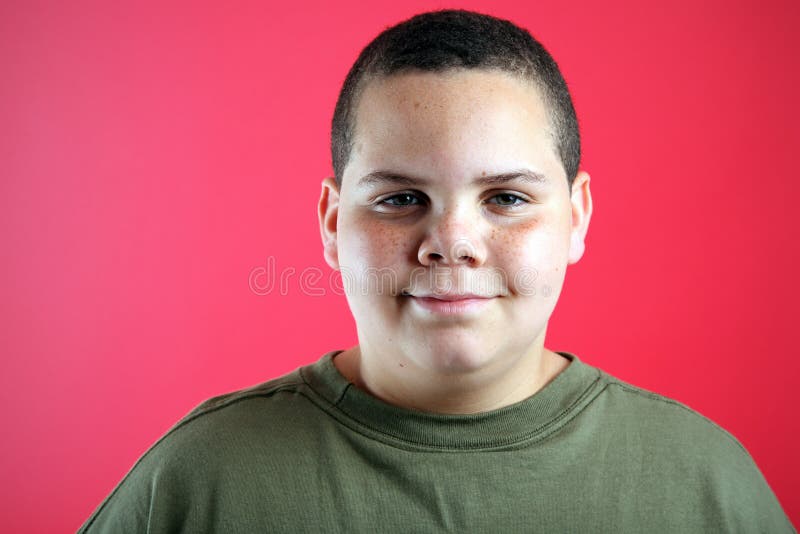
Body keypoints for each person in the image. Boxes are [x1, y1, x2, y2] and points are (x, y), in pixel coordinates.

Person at [79, 9, 794, 533]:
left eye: (506, 198)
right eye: (400, 199)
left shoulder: (704, 483)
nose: (451, 244)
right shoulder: (199, 481)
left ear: (576, 218)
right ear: (332, 223)